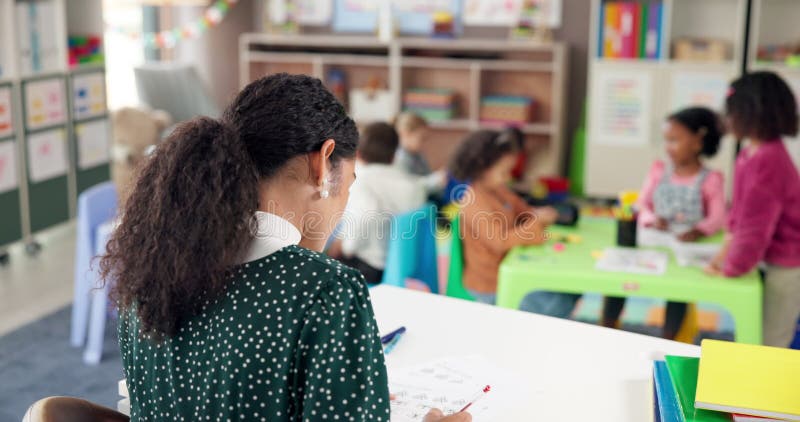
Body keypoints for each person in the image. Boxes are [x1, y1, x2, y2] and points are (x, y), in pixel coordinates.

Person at [101, 74, 469, 421]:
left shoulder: (150, 266)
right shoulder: (327, 290)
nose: (344, 203)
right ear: (322, 165)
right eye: (349, 184)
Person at [602, 107, 726, 340]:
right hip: (653, 241)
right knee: (619, 278)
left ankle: (670, 339)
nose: (668, 147)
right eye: (666, 140)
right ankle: (607, 326)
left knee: (677, 290)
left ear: (698, 142)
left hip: (683, 247)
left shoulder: (711, 179)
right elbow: (642, 203)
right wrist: (651, 218)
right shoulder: (659, 171)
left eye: (675, 140)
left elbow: (718, 218)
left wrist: (699, 230)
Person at [706, 71, 800, 348]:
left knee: (771, 341)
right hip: (767, 260)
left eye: (732, 112)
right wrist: (722, 256)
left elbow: (754, 227)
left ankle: (769, 390)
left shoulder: (768, 159)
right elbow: (739, 215)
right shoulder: (750, 153)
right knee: (754, 331)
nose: (728, 119)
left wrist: (732, 267)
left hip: (786, 264)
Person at [451, 129, 580, 318]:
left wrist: (536, 214)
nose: (507, 177)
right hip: (491, 284)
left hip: (510, 268)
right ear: (481, 169)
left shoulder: (498, 189)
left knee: (570, 287)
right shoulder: (474, 202)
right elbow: (500, 242)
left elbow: (521, 209)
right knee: (560, 302)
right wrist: (535, 223)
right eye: (503, 172)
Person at [331, 122, 427, 283]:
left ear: (359, 153)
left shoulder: (361, 180)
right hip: (404, 265)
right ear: (394, 154)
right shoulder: (414, 185)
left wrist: (344, 247)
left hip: (370, 267)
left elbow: (365, 217)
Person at [394, 111, 446, 194]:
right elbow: (411, 187)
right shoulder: (400, 158)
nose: (425, 143)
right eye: (422, 138)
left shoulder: (418, 155)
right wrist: (436, 180)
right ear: (405, 134)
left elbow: (427, 176)